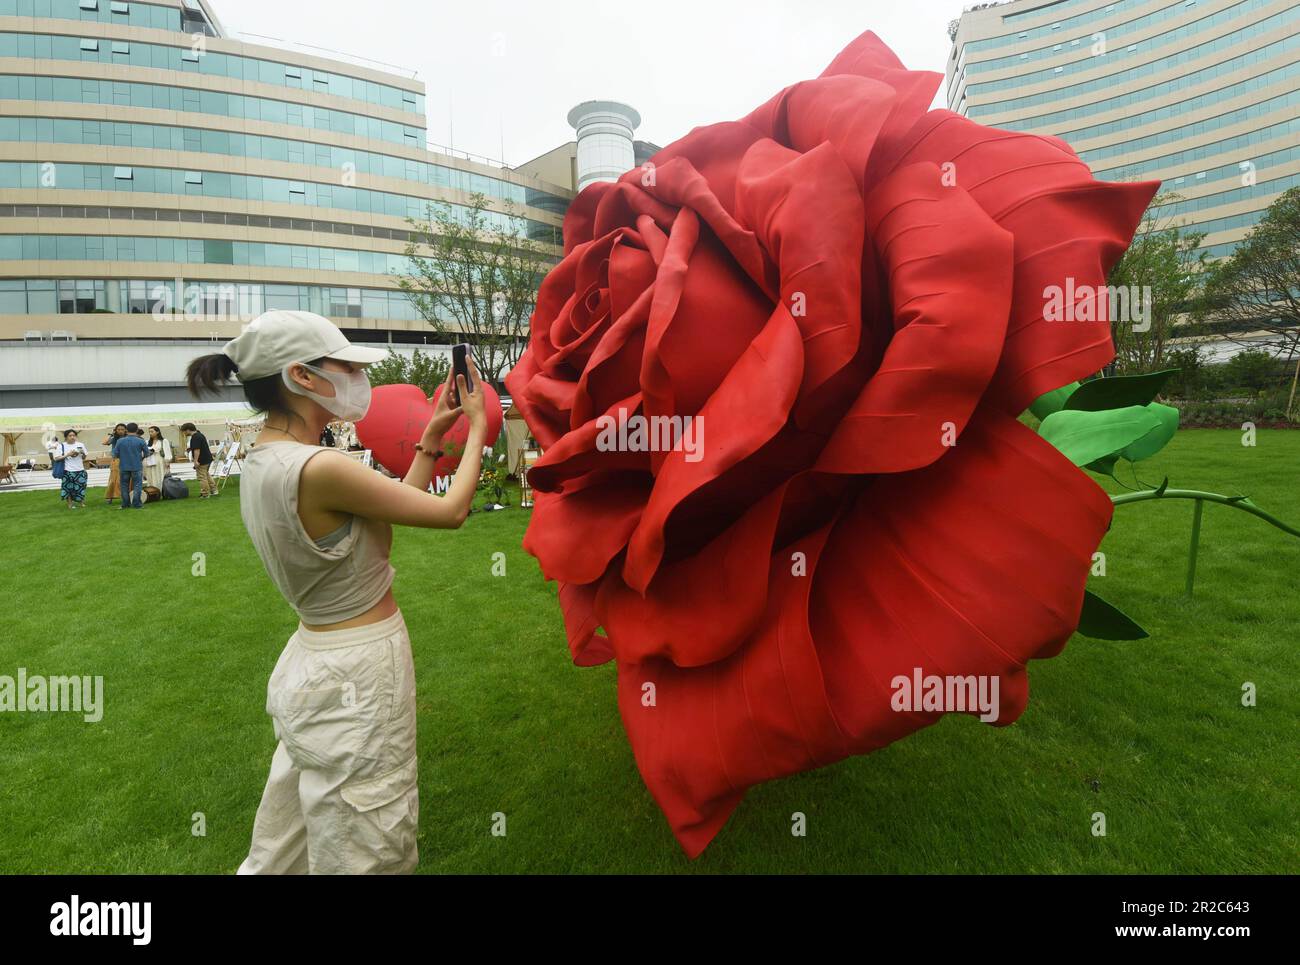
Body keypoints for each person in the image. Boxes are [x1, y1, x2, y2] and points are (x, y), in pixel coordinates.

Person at [185, 310, 486, 875]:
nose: (356, 378)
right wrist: (478, 429)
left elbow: (385, 518)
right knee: (368, 836)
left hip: (314, 658)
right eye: (345, 366)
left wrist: (431, 438)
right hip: (360, 670)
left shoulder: (268, 461)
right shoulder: (320, 466)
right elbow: (450, 512)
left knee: (285, 842)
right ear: (301, 376)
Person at [112, 421, 152, 510]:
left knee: (124, 485)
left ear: (126, 430)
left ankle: (125, 504)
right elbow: (147, 453)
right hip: (137, 465)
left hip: (123, 466)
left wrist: (122, 456)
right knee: (137, 485)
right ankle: (137, 504)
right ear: (137, 430)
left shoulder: (120, 441)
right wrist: (141, 457)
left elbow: (115, 454)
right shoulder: (140, 441)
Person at [50, 429, 89, 509]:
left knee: (81, 487)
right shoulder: (61, 446)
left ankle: (81, 503)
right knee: (68, 488)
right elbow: (56, 458)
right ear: (66, 437)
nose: (72, 437)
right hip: (67, 470)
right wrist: (68, 454)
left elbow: (84, 457)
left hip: (80, 469)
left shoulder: (80, 444)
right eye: (70, 436)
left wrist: (81, 453)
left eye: (74, 435)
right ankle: (70, 504)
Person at [182, 422, 215, 498]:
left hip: (201, 460)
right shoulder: (200, 434)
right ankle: (214, 490)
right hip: (207, 458)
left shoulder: (195, 437)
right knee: (206, 475)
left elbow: (197, 450)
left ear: (188, 430)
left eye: (184, 431)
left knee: (201, 477)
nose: (183, 433)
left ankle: (205, 494)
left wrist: (195, 461)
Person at [101, 423, 127, 503]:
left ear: (125, 430)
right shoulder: (114, 438)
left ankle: (125, 496)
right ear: (116, 430)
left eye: (122, 429)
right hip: (116, 460)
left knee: (125, 479)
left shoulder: (128, 438)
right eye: (118, 429)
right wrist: (112, 433)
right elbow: (104, 442)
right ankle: (110, 497)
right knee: (113, 479)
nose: (120, 431)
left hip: (126, 460)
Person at [143, 425, 172, 492]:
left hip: (159, 460)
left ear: (157, 432)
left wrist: (167, 461)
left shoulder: (163, 441)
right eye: (149, 432)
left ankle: (160, 490)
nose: (150, 433)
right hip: (149, 461)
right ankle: (151, 491)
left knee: (159, 476)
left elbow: (167, 451)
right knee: (150, 476)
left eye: (152, 431)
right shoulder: (147, 442)